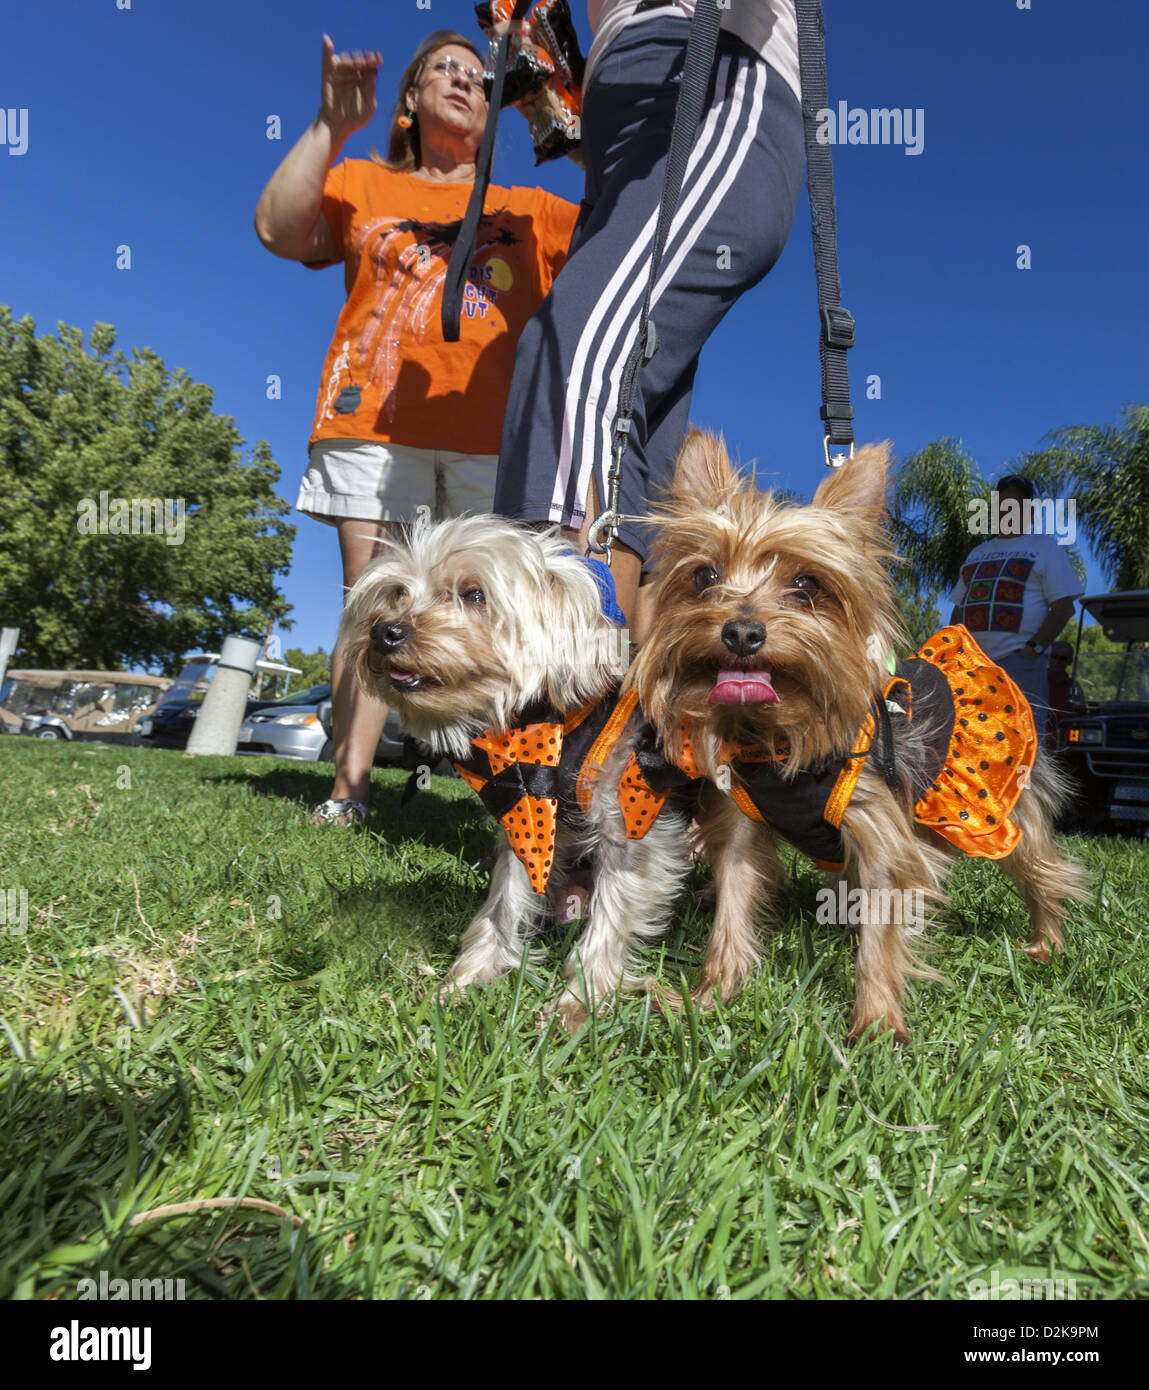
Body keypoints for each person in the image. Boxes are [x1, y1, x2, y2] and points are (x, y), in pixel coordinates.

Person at [254, 31, 579, 826]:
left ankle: (509, 790)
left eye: (479, 75)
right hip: (374, 419)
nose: (464, 81)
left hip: (495, 433)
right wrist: (332, 123)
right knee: (375, 603)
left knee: (494, 606)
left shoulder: (531, 210)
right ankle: (349, 791)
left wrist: (555, 112)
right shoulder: (364, 182)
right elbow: (278, 230)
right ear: (408, 100)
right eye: (444, 69)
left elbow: (628, 216)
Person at [493, 1, 806, 637]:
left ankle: (543, 666)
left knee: (575, 353)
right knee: (637, 435)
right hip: (620, 137)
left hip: (717, 68)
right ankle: (622, 714)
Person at [948, 475, 1083, 743]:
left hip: (1020, 664)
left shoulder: (1045, 547)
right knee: (969, 743)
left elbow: (1063, 607)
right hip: (974, 668)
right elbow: (959, 608)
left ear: (1029, 510)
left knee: (1023, 742)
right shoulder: (977, 553)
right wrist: (956, 653)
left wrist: (1032, 650)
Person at [1045, 640, 1086, 751]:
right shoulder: (1039, 681)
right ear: (1048, 657)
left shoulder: (1074, 686)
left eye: (1063, 658)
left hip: (1066, 746)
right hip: (1041, 741)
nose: (1058, 661)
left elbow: (1082, 713)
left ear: (1069, 662)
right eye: (1054, 657)